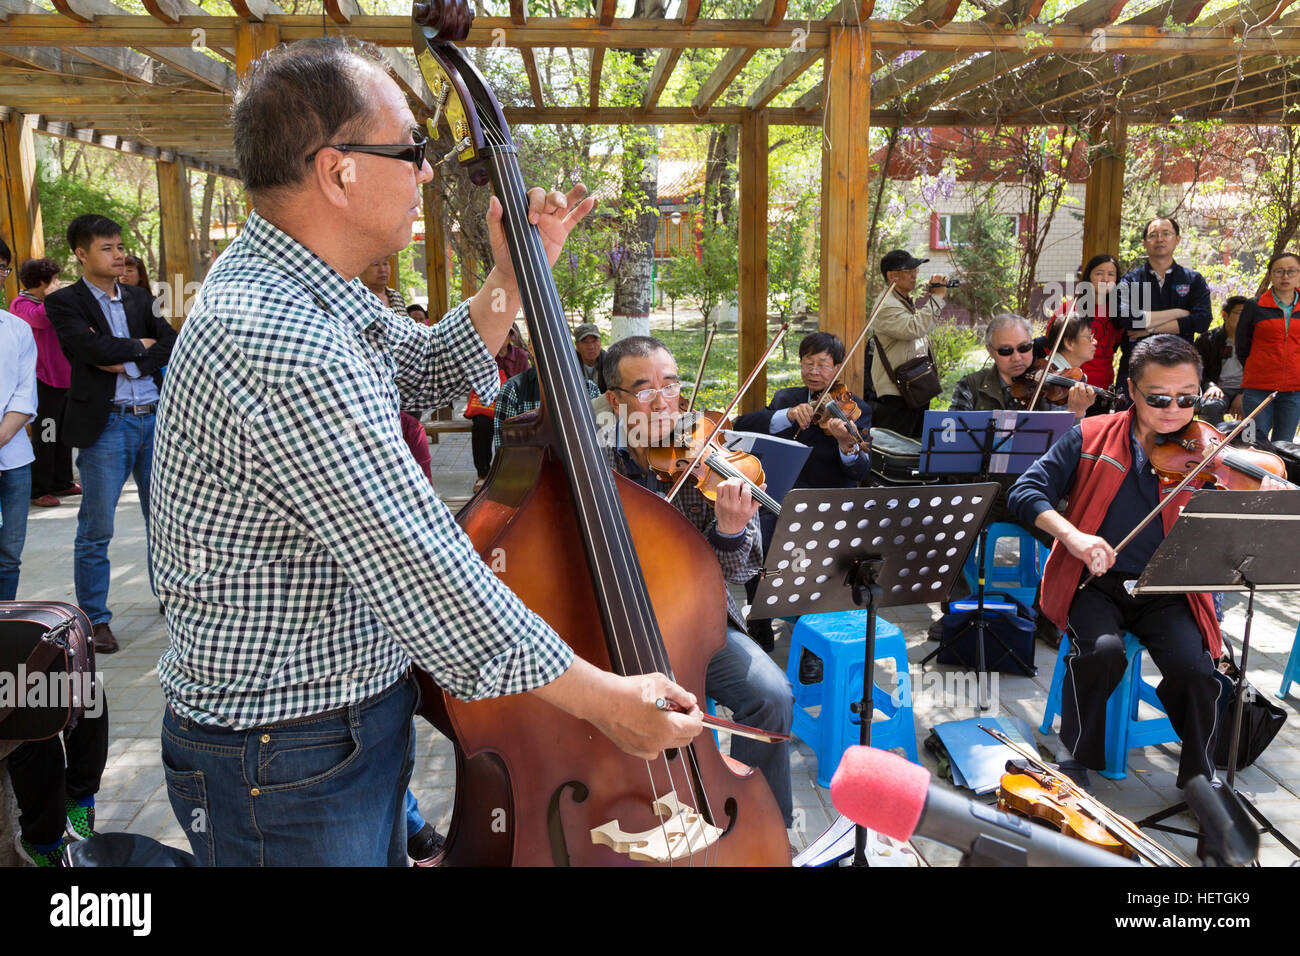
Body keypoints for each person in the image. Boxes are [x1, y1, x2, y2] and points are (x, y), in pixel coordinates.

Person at [150, 38, 701, 867]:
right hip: (285, 751)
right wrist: (605, 699)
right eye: (410, 150)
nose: (429, 172)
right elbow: (428, 574)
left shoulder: (316, 295)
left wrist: (520, 271)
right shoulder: (281, 336)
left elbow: (432, 365)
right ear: (338, 171)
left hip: (325, 728)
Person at [1007, 334, 1290, 789]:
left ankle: (1199, 778)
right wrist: (1073, 536)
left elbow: (1240, 540)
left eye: (1187, 398)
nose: (1174, 411)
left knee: (1197, 672)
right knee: (1102, 655)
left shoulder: (1211, 452)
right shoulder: (1091, 436)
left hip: (1168, 586)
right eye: (1158, 398)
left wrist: (1267, 504)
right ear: (1131, 391)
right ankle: (1075, 757)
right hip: (1094, 580)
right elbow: (1024, 492)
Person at [599, 335, 794, 826]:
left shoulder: (709, 455)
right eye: (645, 391)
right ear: (613, 402)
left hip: (697, 617)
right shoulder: (594, 460)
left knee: (771, 696)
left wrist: (729, 532)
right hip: (614, 621)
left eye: (672, 384)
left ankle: (762, 821)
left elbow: (739, 571)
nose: (666, 402)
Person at [44, 215, 175, 655]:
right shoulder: (65, 302)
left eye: (120, 247)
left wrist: (129, 355)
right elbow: (88, 350)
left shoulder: (143, 296)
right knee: (96, 528)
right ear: (81, 254)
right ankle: (95, 619)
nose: (119, 255)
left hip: (155, 419)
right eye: (107, 248)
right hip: (107, 425)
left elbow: (172, 343)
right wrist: (142, 348)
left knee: (165, 521)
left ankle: (172, 601)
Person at [734, 330, 871, 650]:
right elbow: (743, 424)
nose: (813, 371)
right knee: (756, 538)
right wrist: (787, 415)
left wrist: (845, 444)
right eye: (807, 363)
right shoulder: (786, 399)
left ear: (838, 367)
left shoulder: (855, 408)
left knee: (823, 557)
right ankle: (760, 623)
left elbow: (861, 468)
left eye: (822, 364)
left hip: (830, 504)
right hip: (783, 500)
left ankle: (814, 640)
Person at [9, 257, 79, 507]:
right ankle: (39, 488)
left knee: (63, 434)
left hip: (64, 378)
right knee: (46, 434)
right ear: (42, 281)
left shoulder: (46, 302)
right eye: (54, 279)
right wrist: (52, 296)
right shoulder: (21, 304)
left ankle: (62, 481)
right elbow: (38, 320)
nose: (58, 283)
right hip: (43, 381)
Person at [1115, 217, 1212, 393]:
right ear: (1144, 243)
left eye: (1166, 234)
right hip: (1138, 366)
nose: (1159, 239)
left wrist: (1149, 330)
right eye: (1153, 235)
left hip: (1180, 366)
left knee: (1176, 417)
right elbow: (1128, 320)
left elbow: (1202, 321)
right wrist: (1178, 312)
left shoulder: (1193, 280)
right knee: (1129, 418)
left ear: (1177, 239)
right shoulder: (1131, 280)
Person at [868, 249, 948, 438]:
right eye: (909, 270)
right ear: (892, 276)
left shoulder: (900, 299)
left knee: (914, 447)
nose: (914, 275)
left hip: (913, 388)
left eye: (916, 270)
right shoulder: (886, 305)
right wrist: (936, 297)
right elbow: (914, 328)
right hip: (896, 395)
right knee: (896, 449)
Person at [0, 239, 38, 601]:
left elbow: (25, 396)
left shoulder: (16, 329)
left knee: (9, 557)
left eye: (1, 269)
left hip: (13, 460)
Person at [1236, 252, 1300, 445]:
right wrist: (1260, 367)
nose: (1285, 277)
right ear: (1271, 274)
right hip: (1258, 387)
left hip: (1294, 389)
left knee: (1284, 446)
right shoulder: (1254, 306)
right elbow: (1242, 346)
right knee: (1254, 443)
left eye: (1291, 271)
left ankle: (1277, 477)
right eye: (1279, 271)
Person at [466, 323, 530, 490]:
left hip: (513, 402)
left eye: (504, 333)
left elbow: (525, 382)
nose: (500, 336)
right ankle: (483, 473)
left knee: (519, 423)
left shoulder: (521, 355)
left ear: (511, 336)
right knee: (481, 425)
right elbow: (477, 382)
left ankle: (509, 471)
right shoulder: (485, 355)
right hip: (489, 404)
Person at [1054, 254, 1122, 391]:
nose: (1105, 279)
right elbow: (1051, 347)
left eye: (1111, 274)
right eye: (1099, 273)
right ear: (1088, 276)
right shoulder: (1070, 308)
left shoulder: (1119, 312)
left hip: (1103, 388)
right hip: (1070, 386)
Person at [493, 363, 600, 450]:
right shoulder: (512, 389)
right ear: (531, 347)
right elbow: (503, 451)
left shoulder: (588, 389)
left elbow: (600, 441)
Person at [1197, 295, 1249, 427]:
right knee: (1210, 406)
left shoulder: (1255, 340)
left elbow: (1261, 371)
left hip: (1247, 389)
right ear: (1224, 315)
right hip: (1219, 388)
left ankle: (1249, 444)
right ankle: (1215, 443)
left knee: (1257, 406)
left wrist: (1243, 392)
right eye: (1239, 313)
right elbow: (1197, 370)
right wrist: (1210, 385)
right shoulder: (1208, 340)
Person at [574, 322, 606, 392]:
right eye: (585, 342)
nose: (591, 347)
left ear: (600, 342)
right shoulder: (570, 363)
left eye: (594, 341)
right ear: (577, 345)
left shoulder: (610, 362)